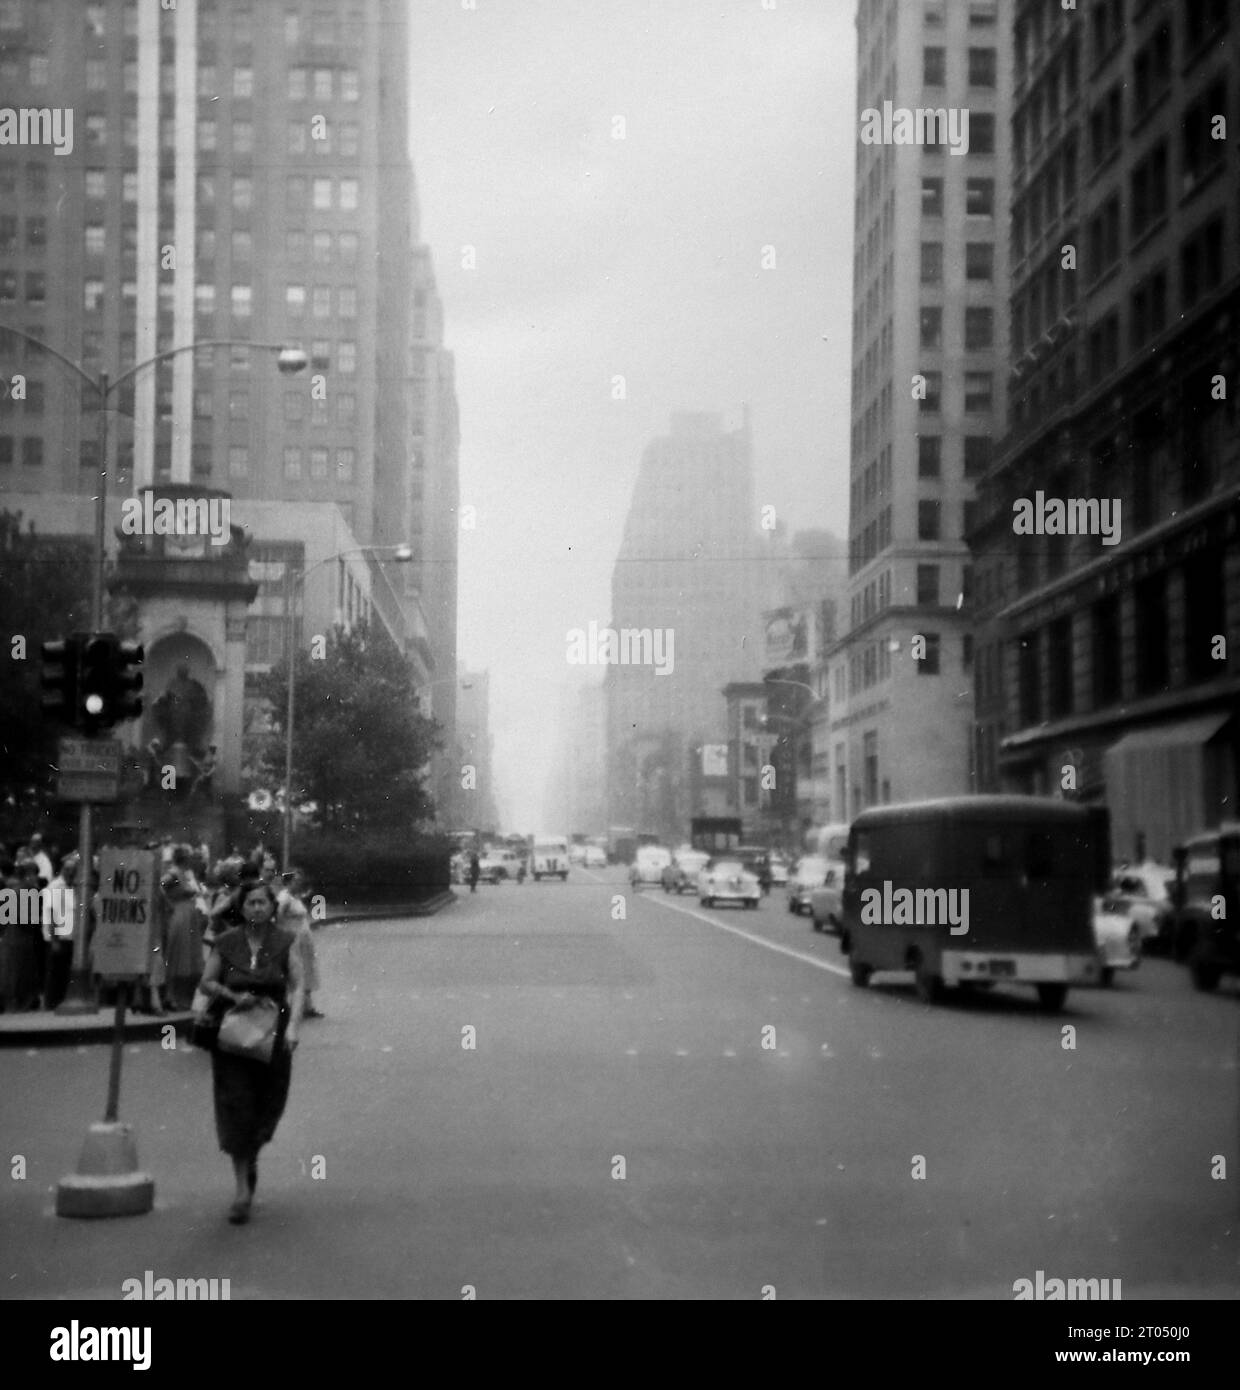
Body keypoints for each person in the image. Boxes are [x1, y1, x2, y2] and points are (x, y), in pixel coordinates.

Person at [197, 882, 304, 1225]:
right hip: (233, 1035)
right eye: (251, 903)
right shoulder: (226, 942)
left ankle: (251, 1152)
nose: (257, 908)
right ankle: (242, 1188)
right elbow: (206, 982)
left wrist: (293, 1028)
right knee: (236, 1105)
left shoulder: (285, 941)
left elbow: (298, 985)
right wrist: (232, 995)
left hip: (273, 1033)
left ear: (272, 907)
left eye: (262, 902)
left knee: (268, 1103)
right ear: (241, 908)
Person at [162, 847, 205, 1011]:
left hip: (188, 916)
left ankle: (178, 996)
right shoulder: (173, 873)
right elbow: (160, 886)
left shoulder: (184, 873)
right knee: (176, 955)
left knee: (185, 956)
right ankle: (170, 995)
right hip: (179, 915)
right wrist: (168, 903)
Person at [277, 868, 323, 1019]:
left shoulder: (294, 897)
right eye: (296, 881)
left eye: (300, 881)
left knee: (307, 969)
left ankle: (307, 1006)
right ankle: (291, 1007)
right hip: (293, 940)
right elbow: (278, 917)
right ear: (288, 881)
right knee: (296, 971)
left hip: (303, 940)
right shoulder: (284, 898)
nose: (299, 883)